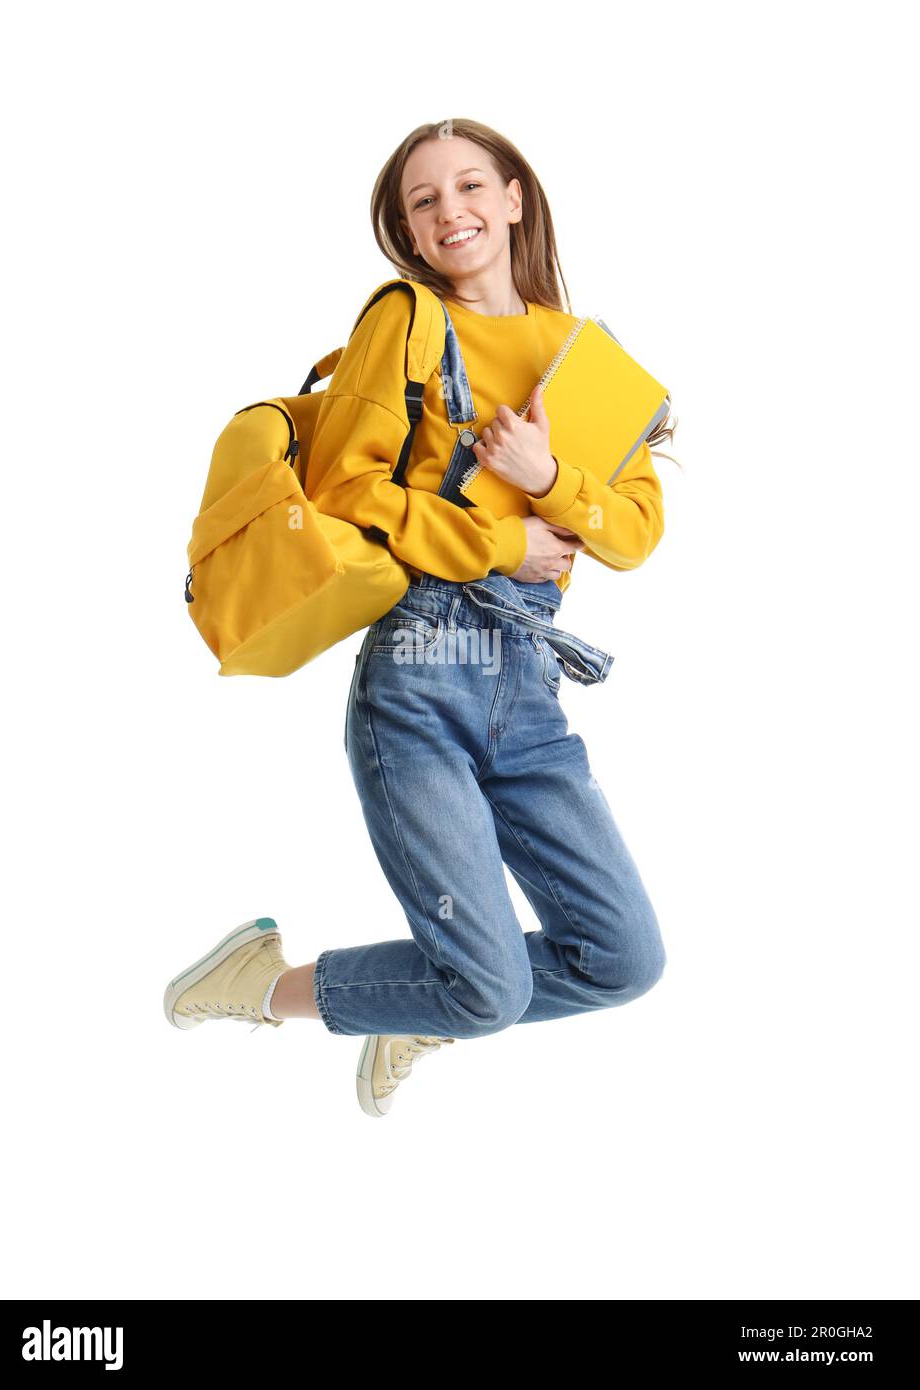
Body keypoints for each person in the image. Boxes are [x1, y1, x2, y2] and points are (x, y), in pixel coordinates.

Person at [164, 117, 673, 1118]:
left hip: (529, 693)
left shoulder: (589, 357)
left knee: (623, 959)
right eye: (423, 200)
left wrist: (548, 478)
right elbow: (347, 490)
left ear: (515, 198)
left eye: (471, 186)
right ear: (405, 229)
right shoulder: (404, 319)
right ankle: (259, 985)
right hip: (422, 677)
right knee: (488, 989)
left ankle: (431, 1005)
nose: (452, 212)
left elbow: (636, 532)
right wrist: (500, 541)